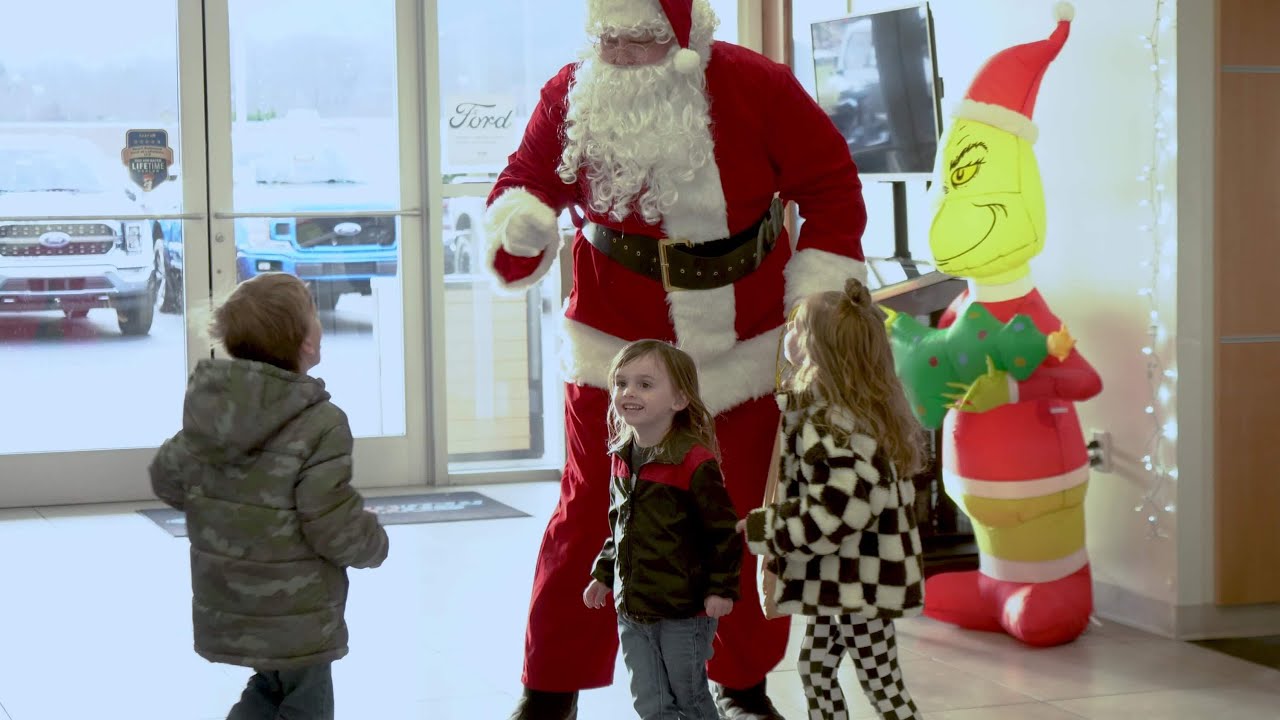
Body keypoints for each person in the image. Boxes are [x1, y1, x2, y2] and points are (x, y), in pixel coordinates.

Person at [483, 1, 869, 716]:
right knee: (592, 513)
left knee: (737, 516)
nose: (622, 56)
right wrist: (523, 223)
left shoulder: (760, 87)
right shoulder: (572, 93)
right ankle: (550, 687)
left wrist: (813, 293)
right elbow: (522, 185)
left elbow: (831, 186)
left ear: (685, 40)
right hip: (615, 353)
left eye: (641, 41)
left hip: (741, 354)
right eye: (611, 41)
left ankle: (742, 682)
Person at [149, 272, 390, 720]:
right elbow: (329, 520)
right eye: (313, 313)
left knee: (269, 686)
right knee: (307, 700)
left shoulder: (212, 413)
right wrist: (373, 541)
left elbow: (167, 477)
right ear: (307, 345)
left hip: (231, 600)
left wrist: (225, 505)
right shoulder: (322, 422)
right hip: (297, 610)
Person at [740, 279, 926, 720]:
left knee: (883, 685)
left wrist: (768, 529)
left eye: (794, 329)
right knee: (817, 670)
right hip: (843, 579)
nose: (786, 336)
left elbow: (841, 510)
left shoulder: (829, 422)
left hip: (856, 583)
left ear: (814, 347)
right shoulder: (846, 411)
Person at [584, 340, 742, 719]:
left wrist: (721, 588)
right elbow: (621, 524)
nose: (629, 393)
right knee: (650, 700)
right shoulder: (622, 455)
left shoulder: (694, 461)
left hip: (684, 611)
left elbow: (722, 532)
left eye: (645, 384)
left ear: (679, 400)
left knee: (688, 696)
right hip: (633, 605)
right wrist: (604, 574)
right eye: (621, 383)